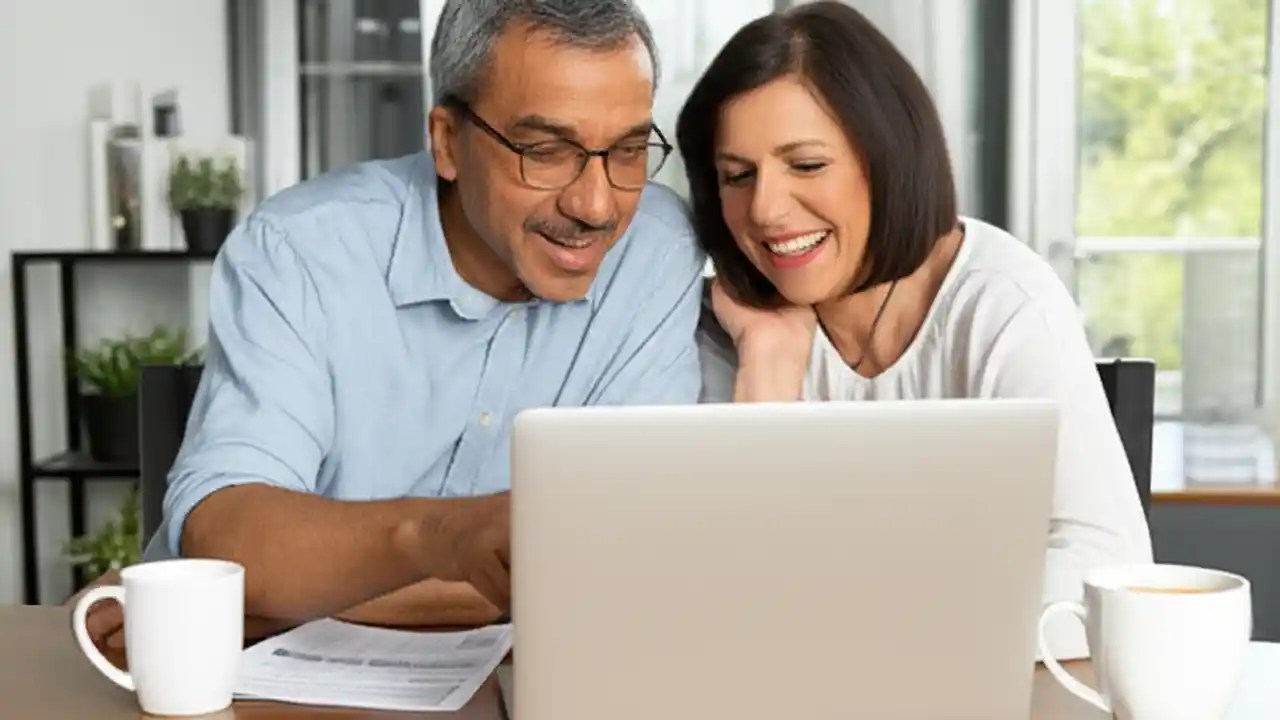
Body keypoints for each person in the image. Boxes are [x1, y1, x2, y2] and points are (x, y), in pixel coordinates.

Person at [76, 0, 704, 652]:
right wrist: (438, 540)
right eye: (545, 151)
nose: (596, 204)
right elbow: (227, 540)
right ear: (447, 141)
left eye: (628, 150)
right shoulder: (300, 249)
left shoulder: (654, 249)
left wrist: (269, 604)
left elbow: (613, 562)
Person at [678, 1, 1152, 659]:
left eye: (807, 165)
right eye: (737, 175)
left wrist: (857, 619)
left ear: (888, 158)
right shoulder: (734, 321)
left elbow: (1108, 572)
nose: (765, 210)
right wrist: (767, 364)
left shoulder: (1001, 301)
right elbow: (713, 588)